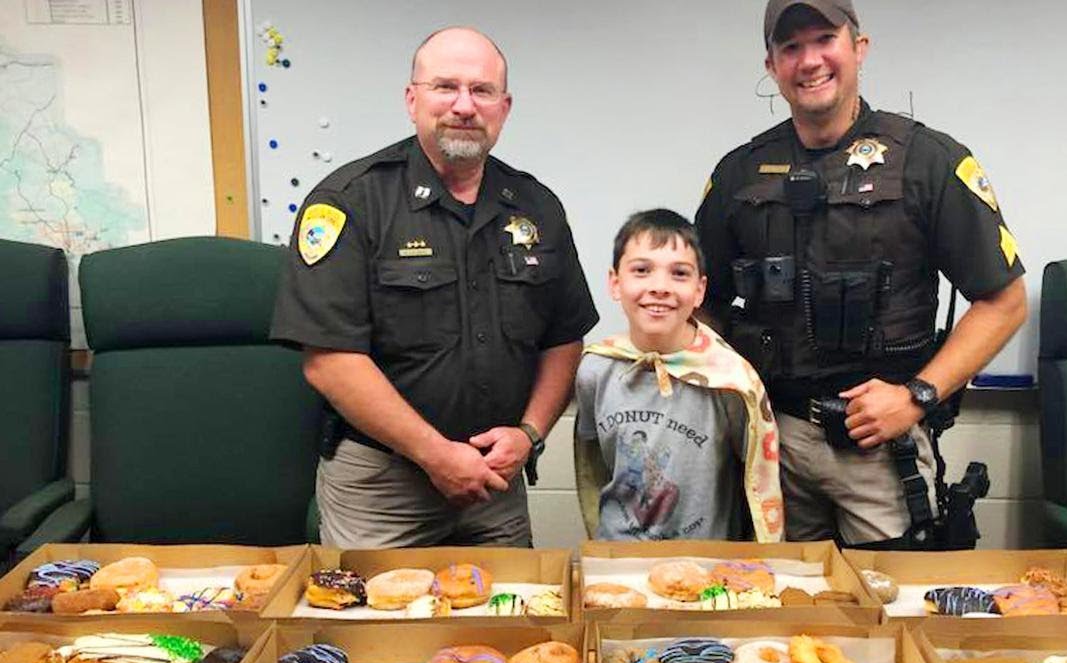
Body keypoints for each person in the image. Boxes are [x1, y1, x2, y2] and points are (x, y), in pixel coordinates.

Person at [695, 0, 1028, 548]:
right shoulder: (739, 173)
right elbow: (700, 303)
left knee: (889, 613)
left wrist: (918, 396)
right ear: (772, 65)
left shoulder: (928, 161)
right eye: (791, 47)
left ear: (859, 47)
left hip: (880, 446)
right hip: (773, 444)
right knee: (779, 614)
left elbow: (1005, 300)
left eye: (824, 39)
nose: (809, 60)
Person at [270, 27, 598, 548]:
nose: (464, 106)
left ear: (504, 107)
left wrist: (530, 435)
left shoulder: (536, 207)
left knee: (506, 626)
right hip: (382, 489)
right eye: (446, 87)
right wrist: (436, 454)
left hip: (496, 483)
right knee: (376, 629)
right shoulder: (351, 202)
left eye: (482, 90)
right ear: (412, 98)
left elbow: (564, 338)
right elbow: (329, 360)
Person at [574, 210, 784, 542]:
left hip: (705, 562)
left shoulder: (730, 381)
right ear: (615, 283)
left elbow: (755, 484)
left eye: (679, 274)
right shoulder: (595, 369)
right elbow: (594, 464)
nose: (659, 287)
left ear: (700, 290)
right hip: (617, 558)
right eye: (642, 271)